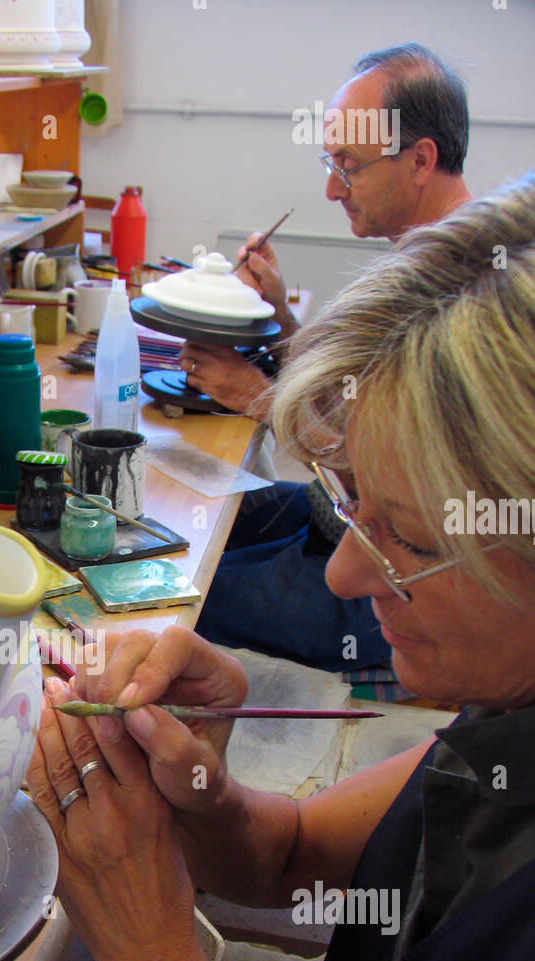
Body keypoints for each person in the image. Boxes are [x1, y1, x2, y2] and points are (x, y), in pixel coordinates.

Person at [0, 171, 535, 961]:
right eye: (356, 508)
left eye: (404, 540)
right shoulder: (511, 720)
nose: (352, 573)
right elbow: (284, 855)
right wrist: (207, 774)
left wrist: (153, 956)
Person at [186, 44, 474, 675]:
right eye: (330, 161)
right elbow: (352, 400)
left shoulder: (463, 297)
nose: (329, 187)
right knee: (189, 527)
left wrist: (253, 396)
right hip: (331, 523)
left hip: (385, 584)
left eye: (349, 166)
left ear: (420, 159)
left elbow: (377, 470)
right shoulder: (424, 257)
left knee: (181, 600)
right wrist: (283, 320)